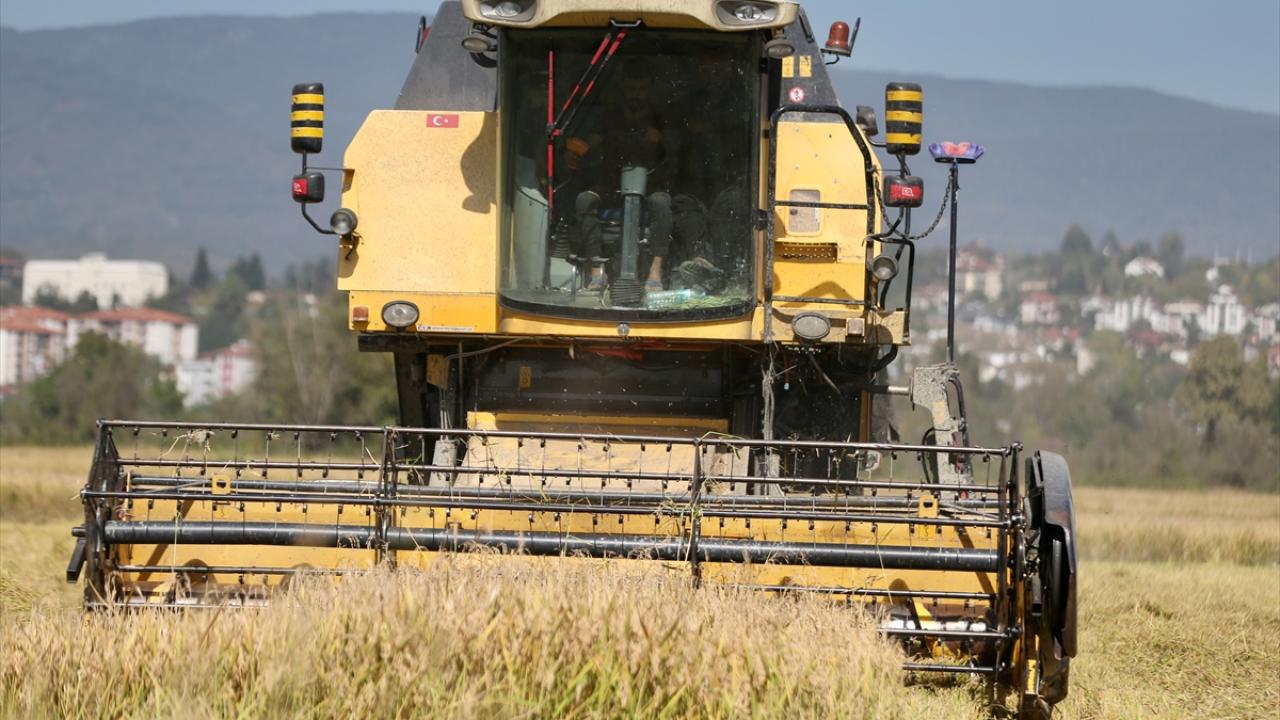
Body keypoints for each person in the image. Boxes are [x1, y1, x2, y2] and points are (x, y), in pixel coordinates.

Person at [567, 66, 679, 293]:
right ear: (623, 90)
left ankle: (655, 274)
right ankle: (597, 274)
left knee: (661, 203)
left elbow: (677, 145)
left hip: (650, 187)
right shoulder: (608, 117)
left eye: (641, 89)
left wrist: (663, 141)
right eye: (631, 88)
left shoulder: (660, 117)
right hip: (610, 186)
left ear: (650, 91)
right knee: (584, 200)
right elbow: (586, 142)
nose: (636, 94)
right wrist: (575, 152)